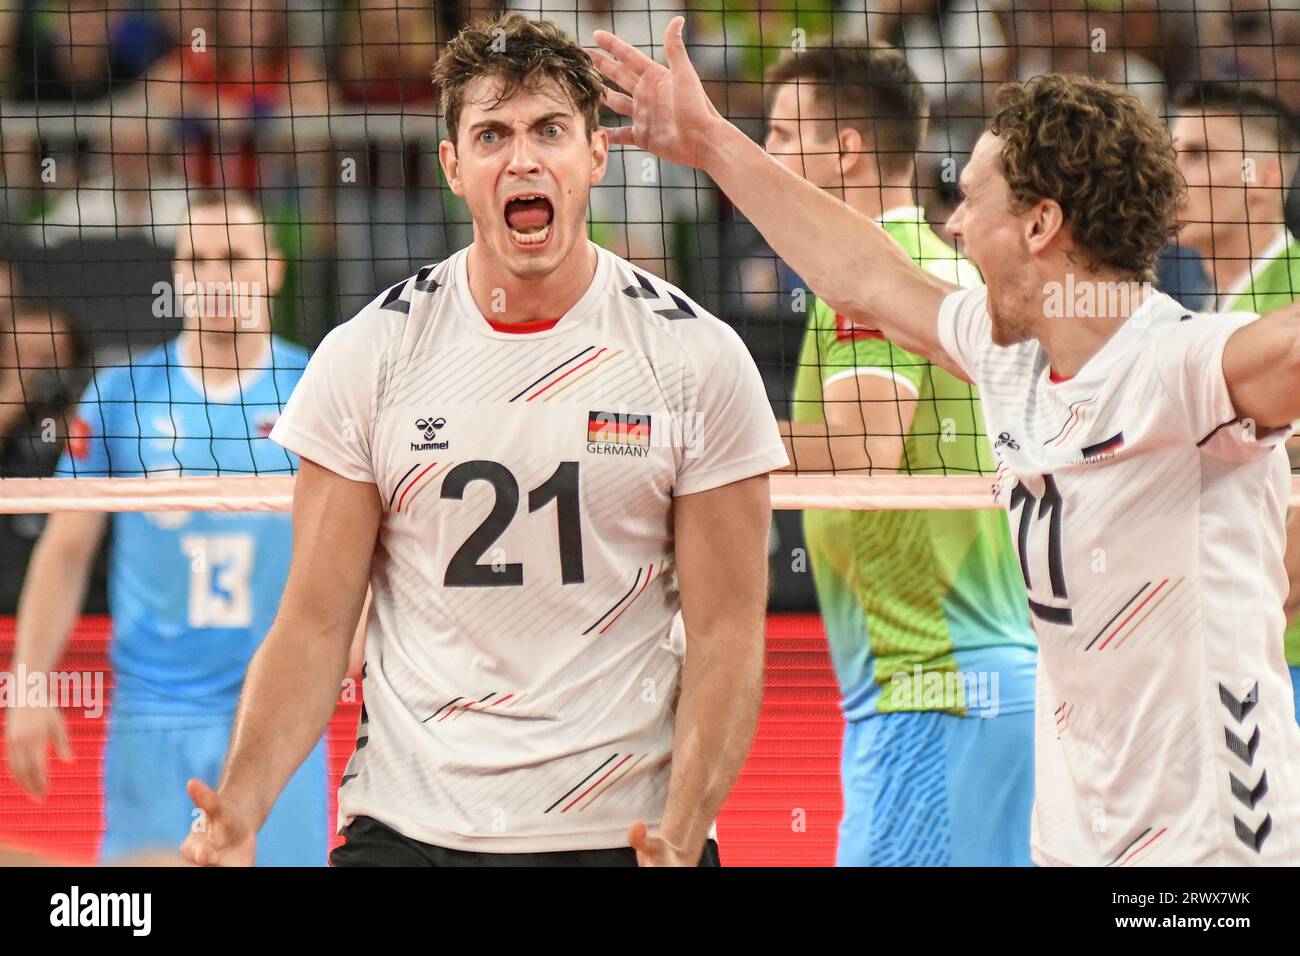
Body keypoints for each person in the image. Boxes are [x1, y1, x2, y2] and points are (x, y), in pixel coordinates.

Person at [594, 17, 1300, 865]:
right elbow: (865, 276)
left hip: (1213, 843)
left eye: (971, 199)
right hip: (1076, 831)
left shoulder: (1178, 363)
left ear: (1040, 225)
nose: (955, 226)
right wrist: (711, 142)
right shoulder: (1012, 356)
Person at [178, 14, 786, 869]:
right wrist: (242, 806)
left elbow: (728, 635)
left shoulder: (695, 357)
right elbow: (314, 625)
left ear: (596, 155)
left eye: (550, 130)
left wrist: (682, 838)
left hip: (618, 834)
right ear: (453, 166)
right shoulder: (371, 353)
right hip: (409, 828)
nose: (523, 159)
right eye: (493, 134)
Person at [767, 43, 1036, 867]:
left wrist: (688, 436)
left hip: (930, 683)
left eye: (782, 135)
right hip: (969, 677)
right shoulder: (940, 267)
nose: (766, 156)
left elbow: (862, 445)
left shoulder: (872, 279)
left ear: (845, 150)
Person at [4, 193, 330, 865]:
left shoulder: (318, 389)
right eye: (196, 261)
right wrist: (30, 684)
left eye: (233, 258)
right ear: (177, 276)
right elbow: (65, 552)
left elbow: (356, 550)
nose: (214, 277)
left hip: (279, 713)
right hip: (154, 712)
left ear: (272, 270)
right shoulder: (120, 394)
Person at [1171, 81, 1300, 723]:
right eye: (1171, 153)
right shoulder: (1210, 314)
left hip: (1274, 658)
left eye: (1199, 155)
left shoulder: (1290, 300)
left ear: (1264, 178)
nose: (1175, 175)